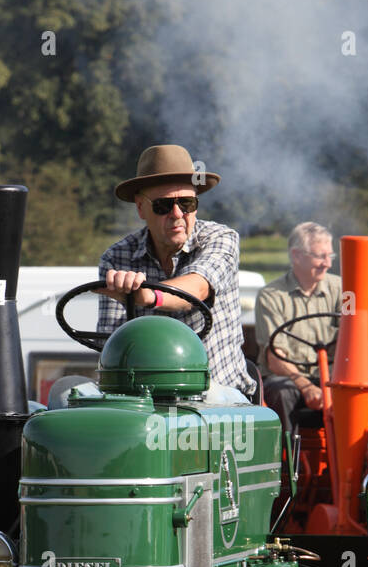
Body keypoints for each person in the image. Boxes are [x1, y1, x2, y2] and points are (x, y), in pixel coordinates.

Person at [96, 144, 254, 398]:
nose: (177, 214)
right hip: (145, 401)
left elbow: (198, 287)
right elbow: (110, 346)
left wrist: (148, 297)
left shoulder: (221, 239)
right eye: (163, 206)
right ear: (140, 208)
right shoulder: (117, 258)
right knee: (65, 395)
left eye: (187, 203)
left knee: (212, 396)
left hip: (220, 398)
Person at [254, 222, 342, 434]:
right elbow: (275, 359)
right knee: (282, 392)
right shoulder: (271, 296)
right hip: (290, 378)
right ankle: (288, 462)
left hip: (328, 378)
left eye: (331, 256)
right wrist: (306, 386)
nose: (327, 264)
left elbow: (356, 336)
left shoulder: (344, 289)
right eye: (320, 256)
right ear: (296, 255)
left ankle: (358, 461)